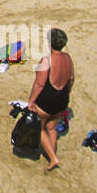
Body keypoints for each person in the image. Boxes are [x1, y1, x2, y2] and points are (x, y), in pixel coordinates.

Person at [28, 28, 74, 172]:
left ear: (49, 43)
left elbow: (39, 84)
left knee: (39, 128)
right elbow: (71, 79)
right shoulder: (68, 58)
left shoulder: (46, 60)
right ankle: (51, 154)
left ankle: (53, 158)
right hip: (62, 98)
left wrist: (31, 100)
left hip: (48, 98)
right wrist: (67, 94)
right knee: (52, 127)